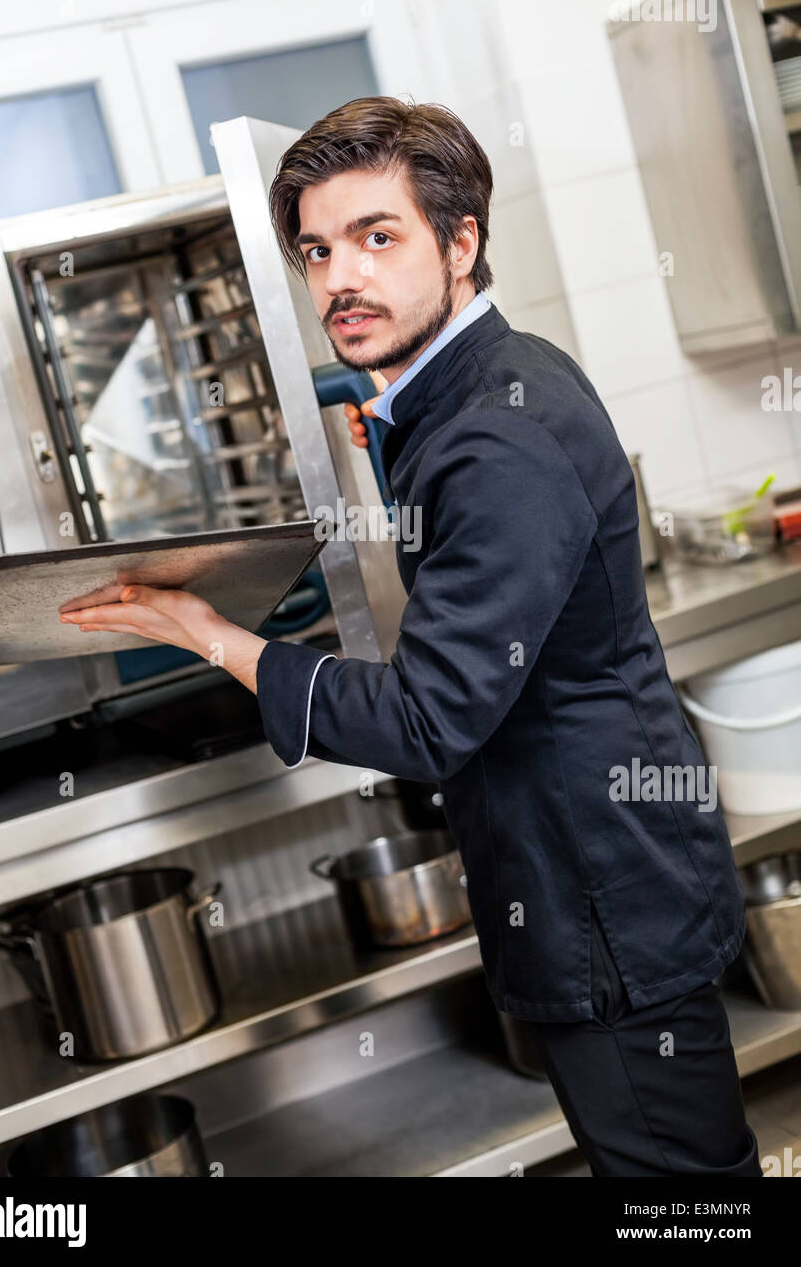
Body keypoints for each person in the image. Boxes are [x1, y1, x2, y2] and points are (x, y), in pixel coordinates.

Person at [60, 96, 761, 1177]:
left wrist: (211, 634)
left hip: (597, 885)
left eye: (376, 237)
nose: (340, 276)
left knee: (674, 1186)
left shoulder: (492, 436)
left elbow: (430, 719)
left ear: (461, 240)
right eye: (317, 249)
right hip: (615, 858)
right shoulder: (489, 375)